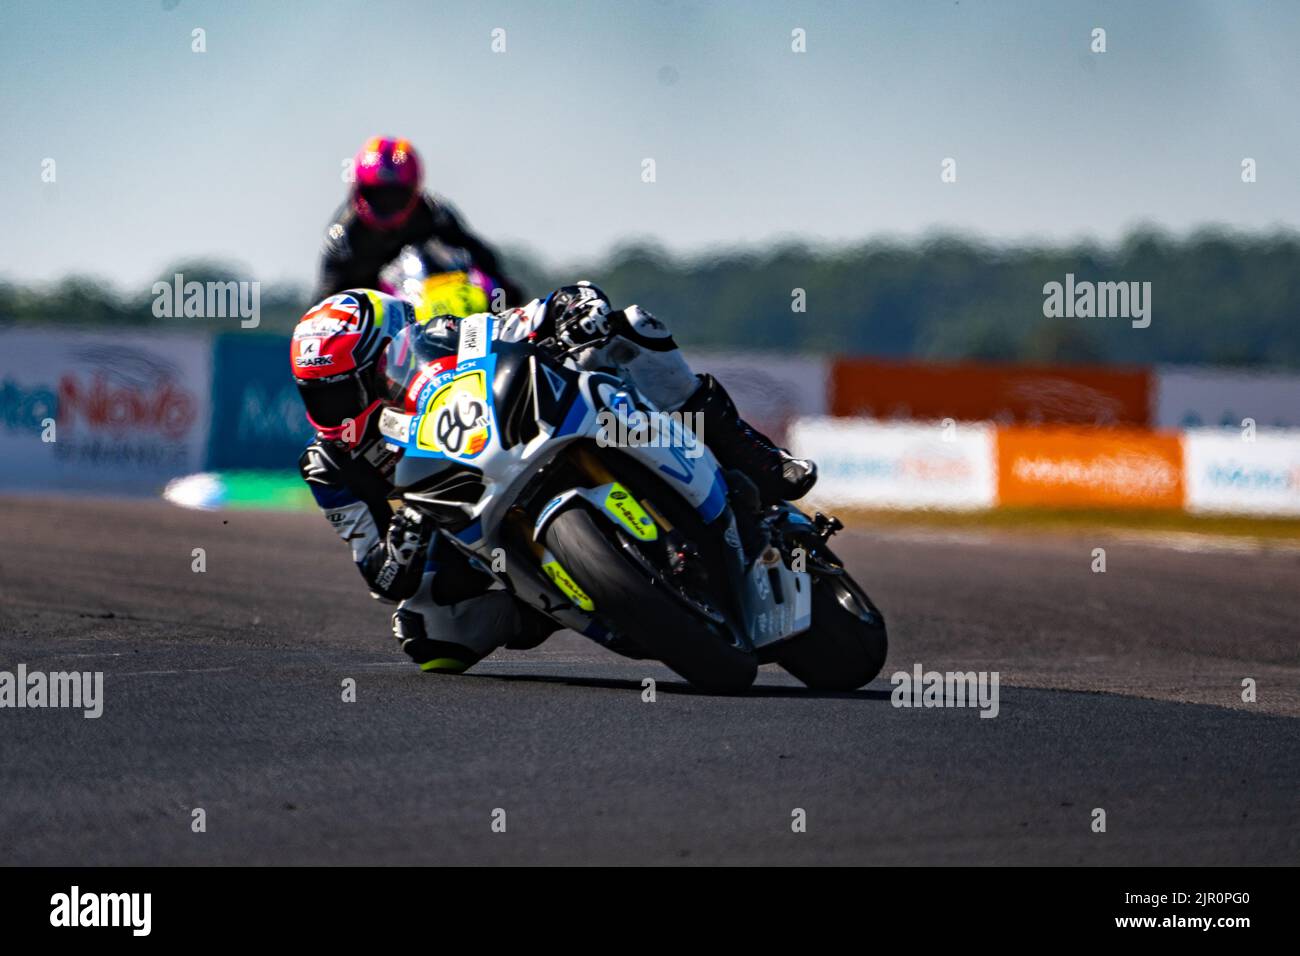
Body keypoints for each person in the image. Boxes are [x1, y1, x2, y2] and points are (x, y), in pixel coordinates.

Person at [290, 283, 817, 674]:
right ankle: (550, 604)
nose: (335, 409)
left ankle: (755, 457)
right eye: (319, 395)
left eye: (345, 389)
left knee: (632, 327)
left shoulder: (444, 334)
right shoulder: (328, 466)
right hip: (462, 536)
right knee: (427, 637)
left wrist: (576, 309)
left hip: (528, 431)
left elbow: (537, 312)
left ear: (390, 349)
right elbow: (378, 576)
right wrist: (400, 544)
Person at [313, 137, 525, 306]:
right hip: (375, 317)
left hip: (432, 307)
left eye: (395, 195)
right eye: (376, 194)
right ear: (358, 189)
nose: (386, 203)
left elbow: (480, 256)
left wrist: (501, 294)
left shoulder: (435, 212)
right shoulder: (343, 233)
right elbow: (325, 297)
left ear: (415, 190)